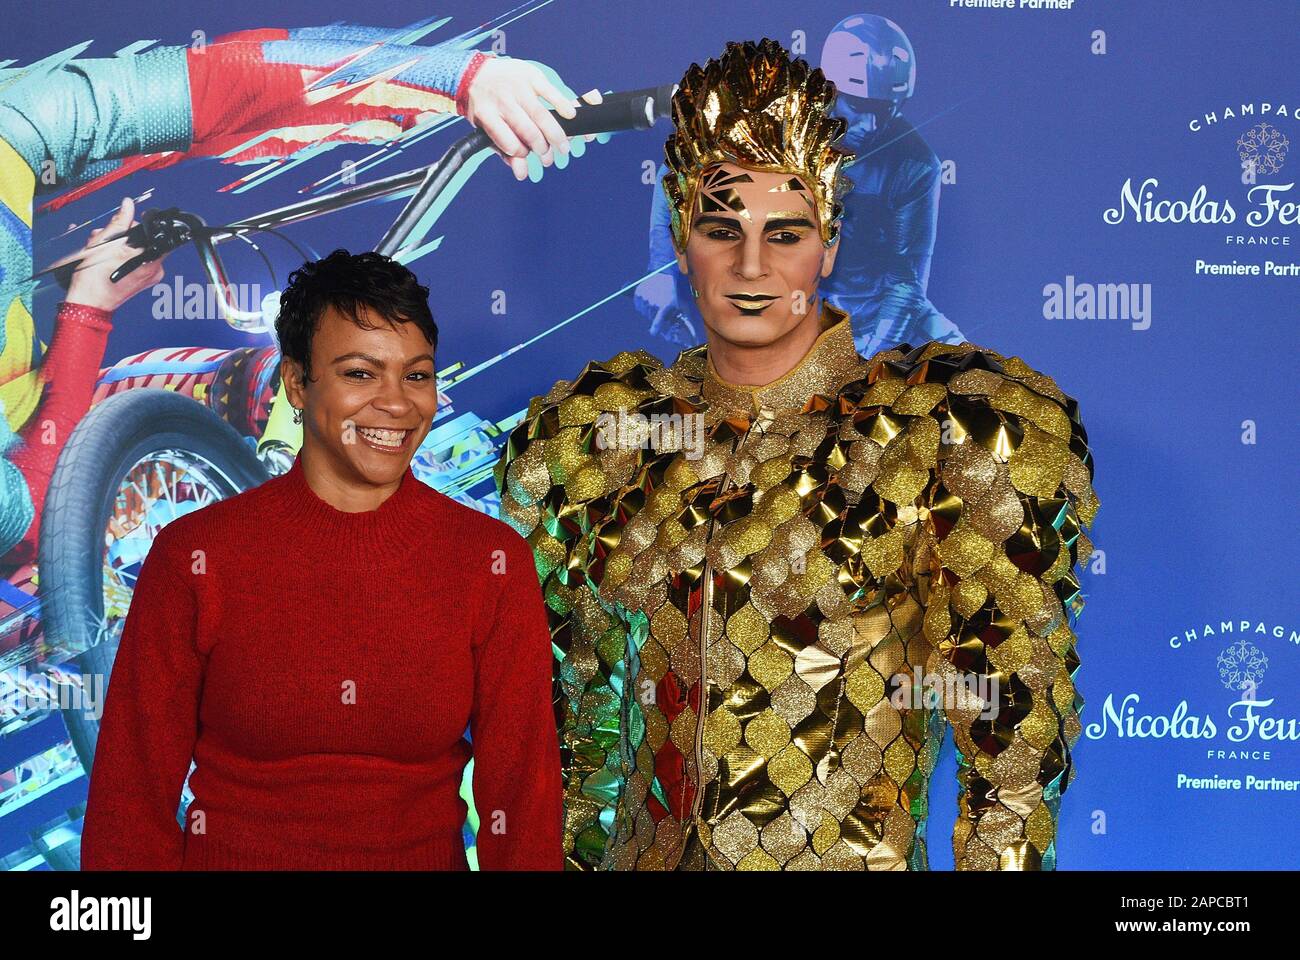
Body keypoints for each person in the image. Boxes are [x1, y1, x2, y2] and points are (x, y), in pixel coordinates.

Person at [496, 38, 1100, 871]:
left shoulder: (935, 431)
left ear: (831, 243)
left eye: (786, 233)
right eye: (720, 229)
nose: (751, 267)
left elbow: (1013, 736)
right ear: (681, 240)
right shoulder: (608, 441)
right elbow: (574, 733)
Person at [0, 21, 592, 565]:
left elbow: (225, 82)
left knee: (302, 386)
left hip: (60, 417)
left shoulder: (16, 120)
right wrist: (85, 318)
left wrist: (469, 80)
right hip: (26, 535)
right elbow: (25, 516)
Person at [81, 249, 562, 870]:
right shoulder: (195, 556)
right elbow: (130, 801)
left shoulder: (489, 560)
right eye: (360, 373)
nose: (396, 403)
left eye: (416, 375)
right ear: (295, 384)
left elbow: (523, 799)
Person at [633, 14, 964, 358]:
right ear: (830, 93)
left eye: (886, 110)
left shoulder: (916, 163)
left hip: (878, 311)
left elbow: (906, 285)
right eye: (859, 106)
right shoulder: (779, 118)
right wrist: (659, 272)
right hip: (797, 301)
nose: (871, 125)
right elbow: (680, 169)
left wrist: (871, 360)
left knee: (976, 374)